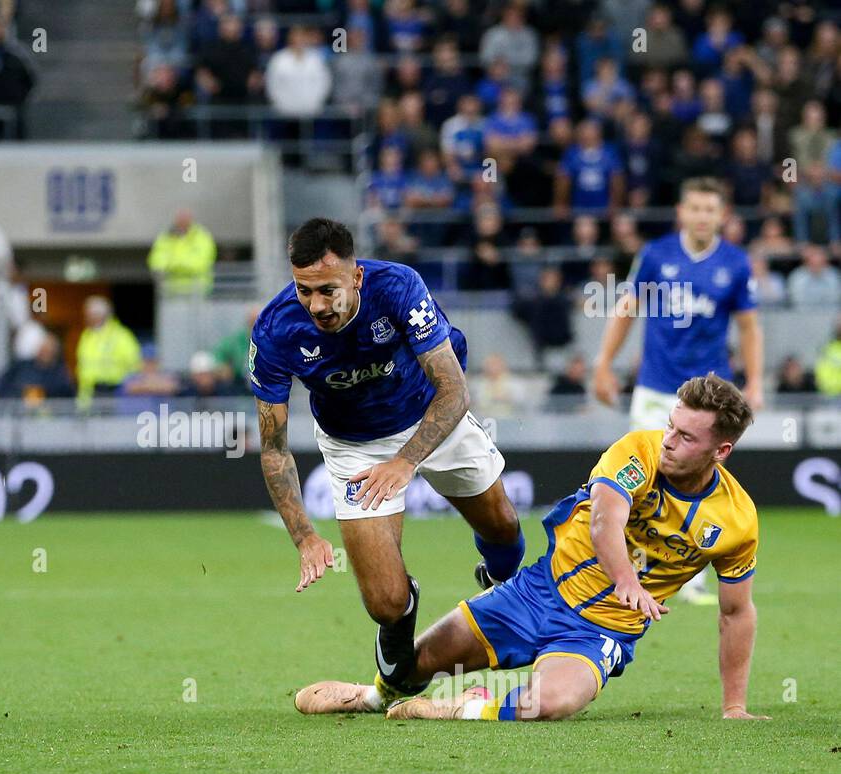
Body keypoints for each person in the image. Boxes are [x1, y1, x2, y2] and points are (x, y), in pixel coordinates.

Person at [297, 375, 767, 723]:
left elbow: (736, 613)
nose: (668, 441)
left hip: (599, 632)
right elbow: (607, 518)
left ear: (720, 451)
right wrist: (627, 580)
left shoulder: (737, 520)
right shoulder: (637, 450)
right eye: (670, 427)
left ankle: (456, 708)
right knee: (414, 666)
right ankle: (373, 696)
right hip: (535, 591)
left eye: (686, 437)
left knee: (553, 703)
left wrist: (734, 706)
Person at [251, 218, 524, 710]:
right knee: (385, 602)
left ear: (356, 278)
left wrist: (405, 461)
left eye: (328, 290)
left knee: (503, 525)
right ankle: (400, 666)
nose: (317, 305)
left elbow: (455, 388)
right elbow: (273, 447)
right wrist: (306, 537)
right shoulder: (275, 329)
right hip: (355, 445)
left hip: (432, 414)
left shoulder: (398, 287)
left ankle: (503, 584)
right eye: (304, 290)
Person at [592, 177, 762, 605]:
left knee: (699, 478)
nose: (703, 216)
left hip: (710, 396)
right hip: (655, 386)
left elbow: (748, 326)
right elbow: (627, 309)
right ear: (681, 212)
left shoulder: (737, 264)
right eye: (695, 208)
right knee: (643, 475)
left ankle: (691, 574)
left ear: (722, 216)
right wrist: (603, 365)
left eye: (711, 209)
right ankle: (623, 563)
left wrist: (755, 381)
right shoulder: (655, 255)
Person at [74, 296, 141, 406]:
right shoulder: (87, 336)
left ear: (100, 315)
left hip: (114, 393)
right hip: (89, 395)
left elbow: (135, 366)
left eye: (89, 314)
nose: (86, 317)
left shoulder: (122, 336)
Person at [147, 208, 217, 294]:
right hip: (171, 291)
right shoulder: (166, 237)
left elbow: (200, 264)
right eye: (180, 220)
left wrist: (171, 265)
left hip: (197, 291)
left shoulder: (202, 237)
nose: (182, 223)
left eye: (185, 220)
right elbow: (157, 259)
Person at [0, 334, 73, 405]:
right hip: (18, 417)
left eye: (50, 351)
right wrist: (18, 396)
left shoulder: (59, 373)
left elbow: (68, 395)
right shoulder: (22, 366)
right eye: (44, 349)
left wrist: (44, 394)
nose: (46, 354)